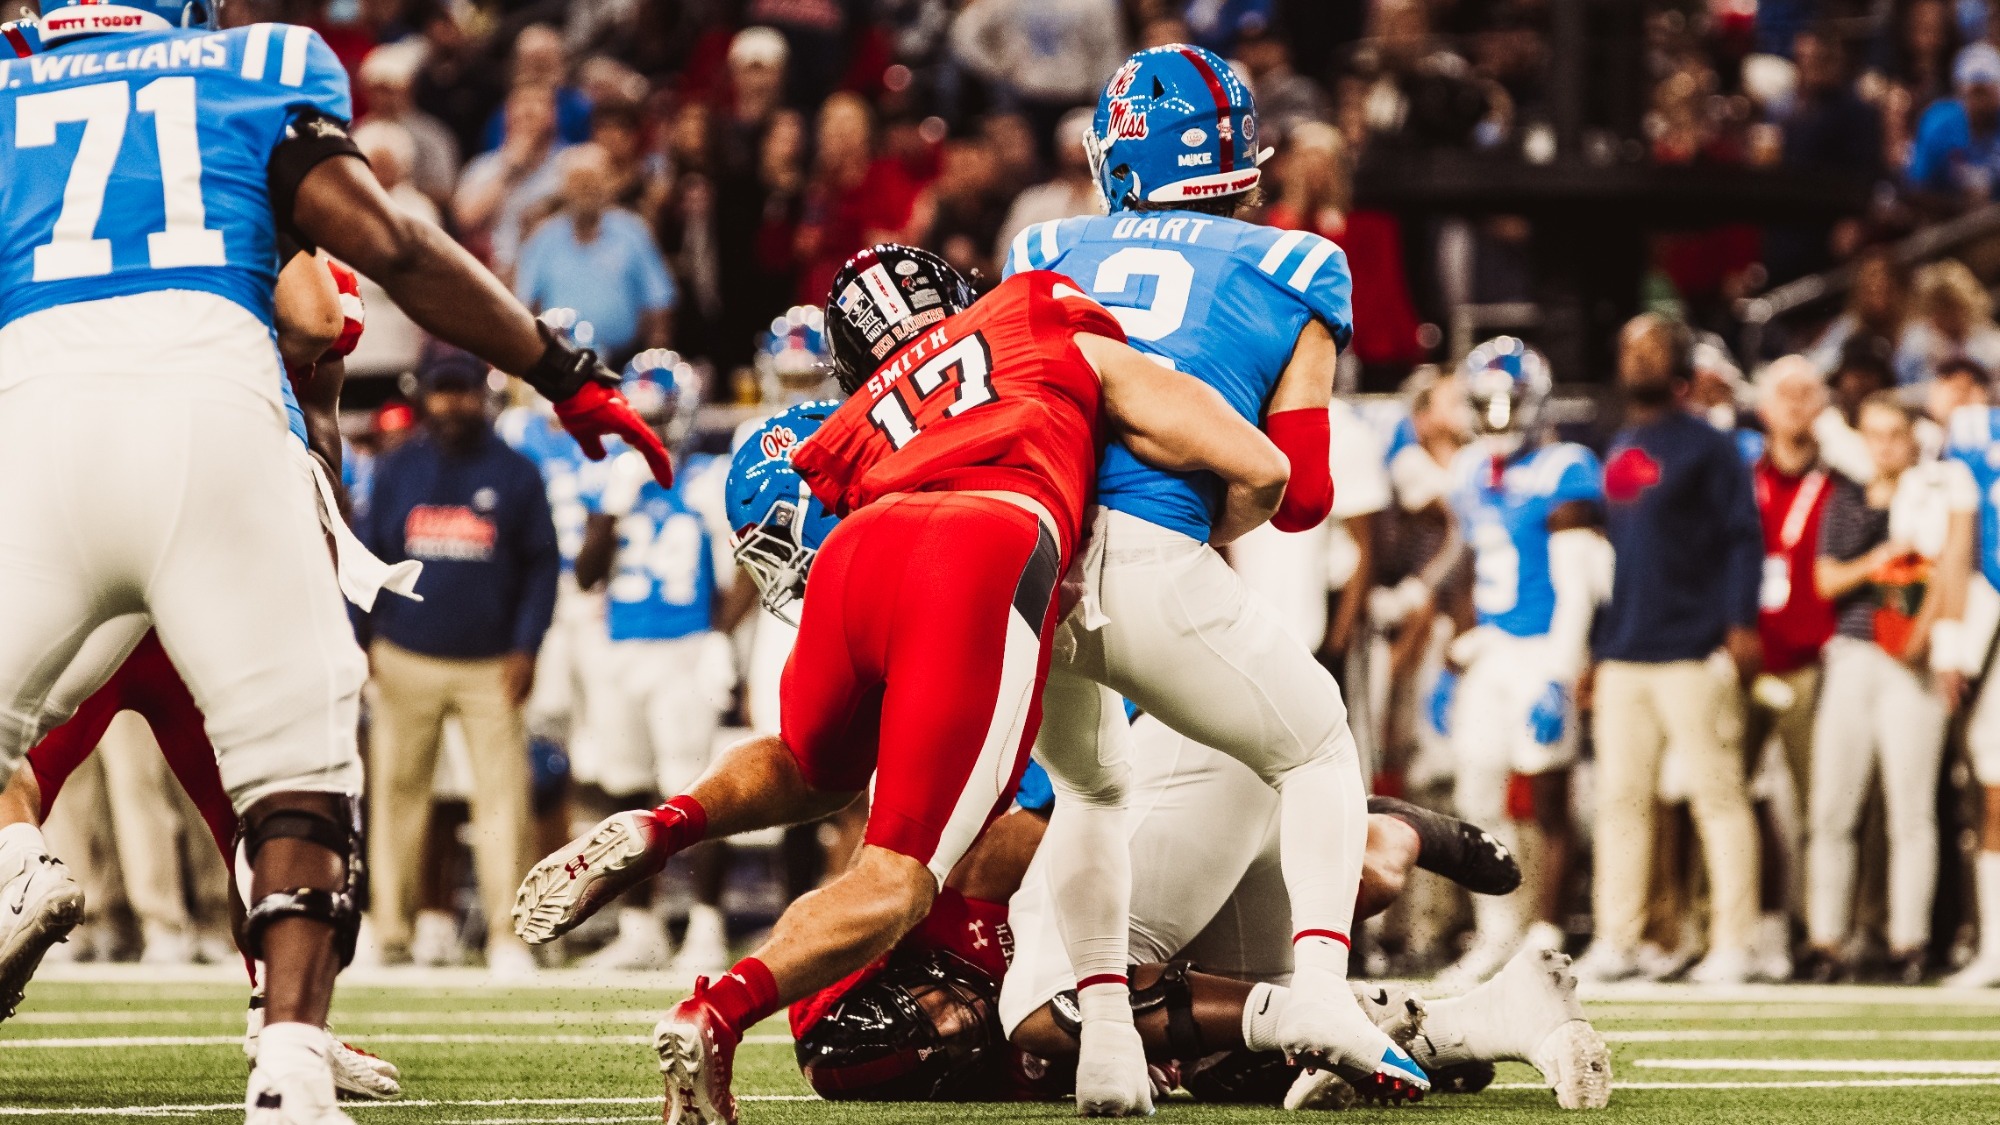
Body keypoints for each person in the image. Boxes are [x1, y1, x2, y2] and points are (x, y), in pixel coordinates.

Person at [0, 3, 666, 1119]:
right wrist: (556, 368)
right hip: (210, 426)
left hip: (31, 427)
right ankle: (291, 1064)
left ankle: (18, 871)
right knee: (295, 778)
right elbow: (394, 249)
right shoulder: (252, 66)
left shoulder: (14, 78)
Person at [512, 243, 1304, 1125]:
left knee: (828, 776)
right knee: (928, 893)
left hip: (877, 552)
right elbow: (1256, 465)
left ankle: (670, 823)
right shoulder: (1039, 309)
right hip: (990, 552)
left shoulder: (861, 423)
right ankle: (719, 1009)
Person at [999, 44, 1422, 1109]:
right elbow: (1309, 491)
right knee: (1317, 744)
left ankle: (1106, 1046)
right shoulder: (1294, 264)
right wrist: (1218, 494)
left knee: (1092, 790)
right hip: (1153, 555)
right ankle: (1319, 990)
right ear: (1239, 158)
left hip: (1027, 572)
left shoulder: (1039, 247)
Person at [794, 718, 1606, 1111]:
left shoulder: (929, 887)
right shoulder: (968, 1073)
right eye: (935, 1046)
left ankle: (1375, 821)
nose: (950, 1022)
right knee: (1241, 1070)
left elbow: (1062, 836)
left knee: (1047, 998)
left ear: (897, 969)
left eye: (926, 1013)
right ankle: (1494, 1016)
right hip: (1187, 825)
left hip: (1178, 766)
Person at [360, 351, 563, 977]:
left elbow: (541, 568)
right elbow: (369, 555)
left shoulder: (518, 473)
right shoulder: (398, 468)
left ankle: (509, 933)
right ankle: (388, 929)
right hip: (405, 657)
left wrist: (527, 647)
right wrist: (362, 639)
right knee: (394, 798)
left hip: (490, 664)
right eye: (442, 392)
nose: (452, 404)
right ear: (425, 396)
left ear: (484, 395)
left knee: (503, 802)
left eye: (463, 392)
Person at [1578, 315, 1766, 986]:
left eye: (1652, 348)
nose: (1637, 357)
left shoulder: (1711, 446)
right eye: (1629, 346)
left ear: (1680, 366)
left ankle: (1734, 943)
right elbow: (1617, 560)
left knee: (1718, 796)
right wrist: (1596, 651)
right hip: (1626, 645)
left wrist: (1740, 622)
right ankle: (1617, 937)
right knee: (1620, 800)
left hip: (1692, 643)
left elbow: (1745, 535)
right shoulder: (1621, 440)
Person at [1427, 339, 1610, 989]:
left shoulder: (1567, 466)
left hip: (1542, 649)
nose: (1499, 418)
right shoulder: (1471, 469)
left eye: (1509, 405)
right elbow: (1470, 566)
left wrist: (1562, 674)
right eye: (1489, 406)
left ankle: (1547, 936)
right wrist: (1455, 658)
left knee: (1548, 795)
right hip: (1495, 649)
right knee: (1477, 789)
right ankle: (1498, 932)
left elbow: (1580, 583)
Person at [566, 354, 746, 974]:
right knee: (626, 791)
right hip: (621, 646)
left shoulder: (708, 479)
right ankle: (641, 926)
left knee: (691, 790)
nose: (649, 429)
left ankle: (704, 924)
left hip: (684, 646)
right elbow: (587, 575)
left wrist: (724, 640)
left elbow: (740, 571)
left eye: (658, 417)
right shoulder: (613, 478)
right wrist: (610, 510)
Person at [1806, 393, 1973, 983]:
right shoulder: (1847, 498)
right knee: (1832, 807)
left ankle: (1910, 943)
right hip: (1853, 654)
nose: (1883, 446)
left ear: (1912, 438)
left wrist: (1922, 637)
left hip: (1909, 660)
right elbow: (1824, 579)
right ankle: (1826, 939)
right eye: (1872, 434)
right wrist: (1877, 560)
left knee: (1911, 808)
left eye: (1893, 433)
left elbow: (1948, 564)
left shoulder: (1932, 493)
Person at [1739, 355, 1840, 983]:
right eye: (1786, 394)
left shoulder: (1841, 479)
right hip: (1749, 656)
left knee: (1823, 808)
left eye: (1809, 393)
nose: (1798, 405)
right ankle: (1755, 932)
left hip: (1813, 660)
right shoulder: (1740, 478)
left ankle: (1826, 934)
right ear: (1765, 406)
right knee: (1732, 798)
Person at [1939, 381, 2000, 987]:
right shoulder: (1974, 434)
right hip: (1995, 622)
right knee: (1994, 791)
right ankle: (1996, 949)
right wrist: (1952, 642)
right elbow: (1960, 543)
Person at [514, 143, 678, 367]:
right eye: (577, 182)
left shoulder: (634, 233)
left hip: (624, 362)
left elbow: (659, 304)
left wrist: (653, 366)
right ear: (563, 188)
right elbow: (525, 306)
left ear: (609, 184)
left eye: (592, 181)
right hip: (559, 363)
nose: (585, 190)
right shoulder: (543, 239)